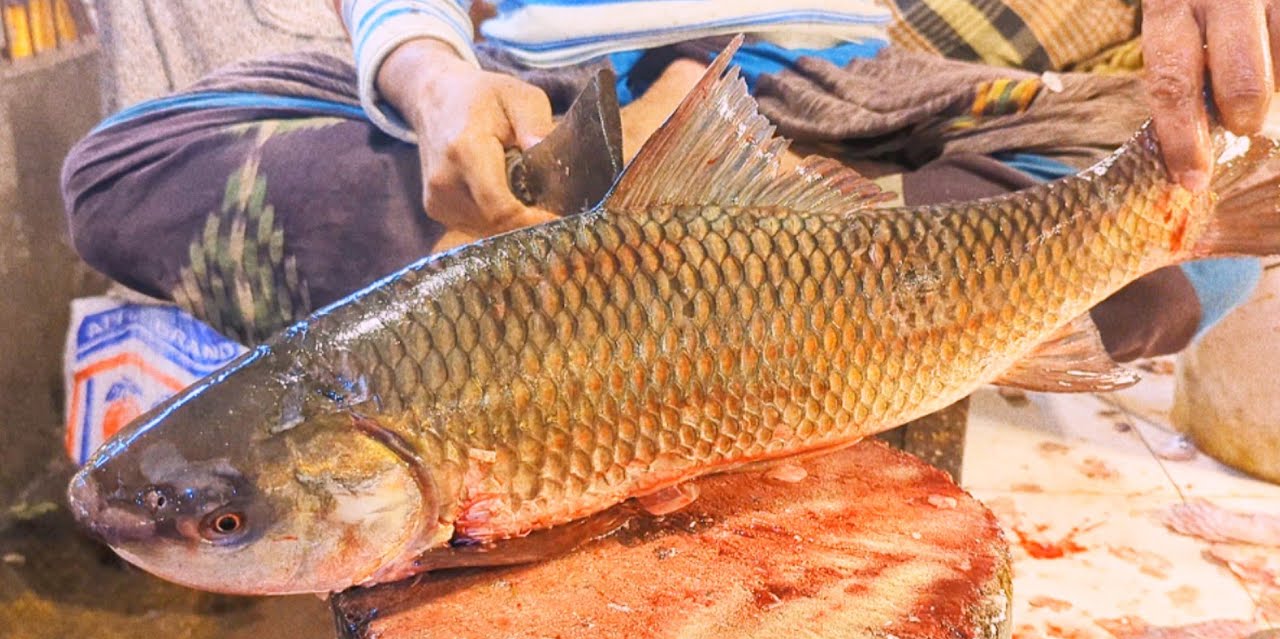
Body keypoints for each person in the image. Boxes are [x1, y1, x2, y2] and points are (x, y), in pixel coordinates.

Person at [61, 0, 1269, 355]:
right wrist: (431, 82)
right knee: (125, 167)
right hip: (543, 101)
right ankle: (854, 300)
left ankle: (727, 251)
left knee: (1176, 202)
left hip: (840, 95)